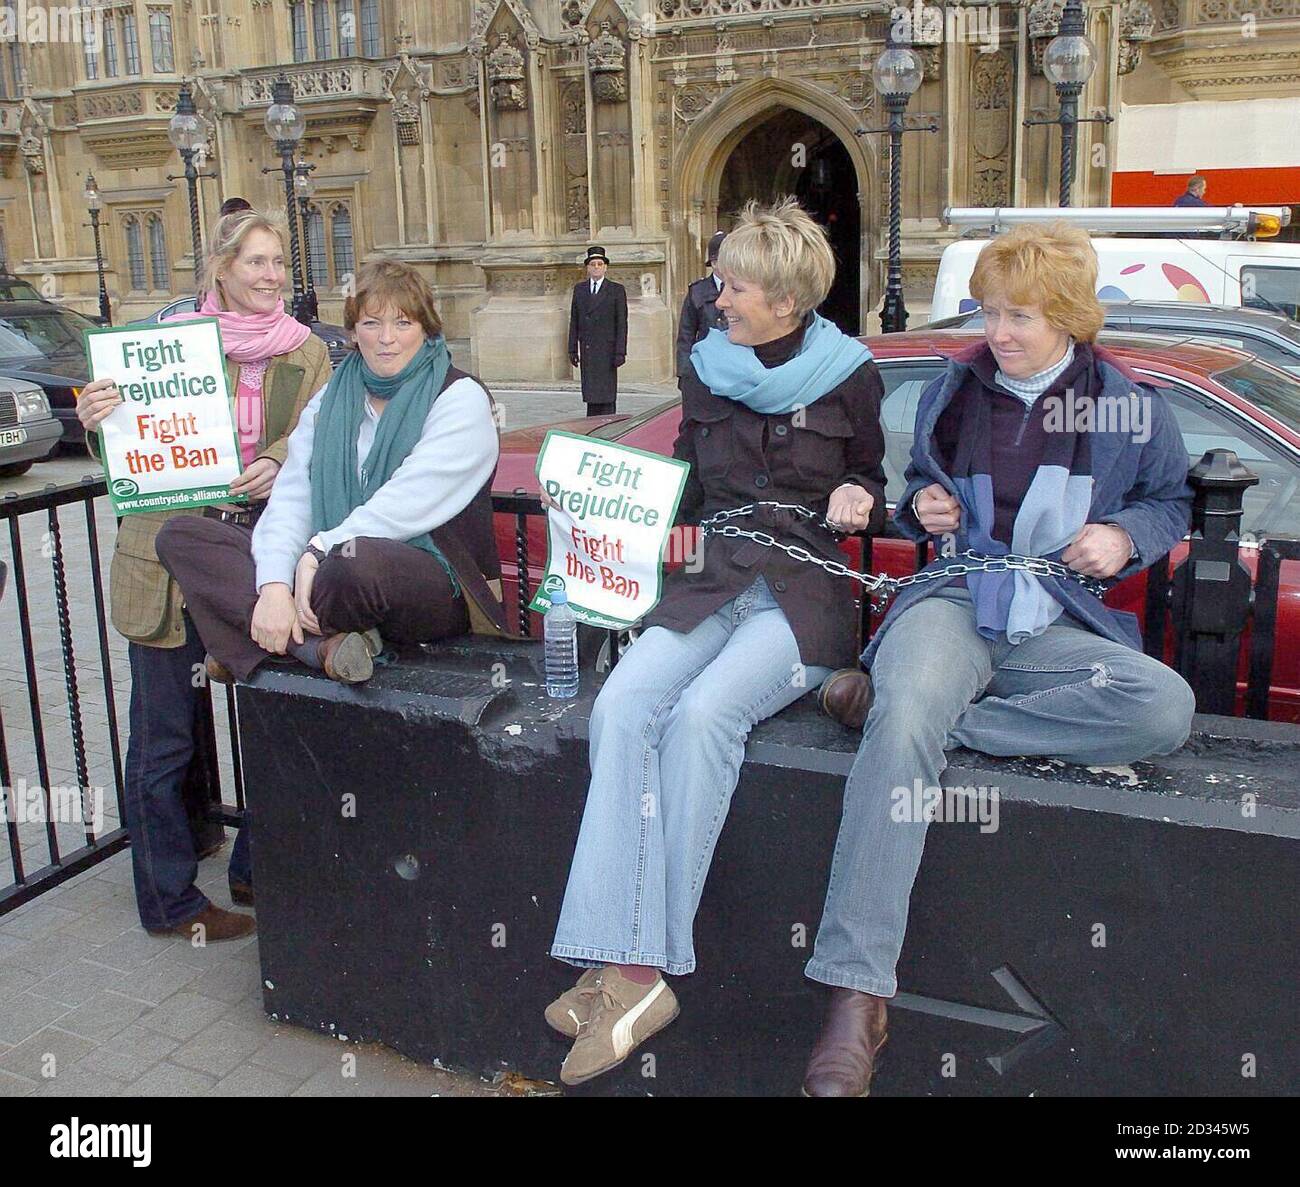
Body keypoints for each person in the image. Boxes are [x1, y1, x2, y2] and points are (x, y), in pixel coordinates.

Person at [801, 222, 1196, 1097]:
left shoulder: (1126, 402)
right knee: (910, 722)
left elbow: (1172, 501)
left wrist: (1125, 533)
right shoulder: (957, 388)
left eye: (1020, 315)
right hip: (955, 601)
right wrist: (926, 508)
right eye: (990, 312)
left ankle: (922, 713)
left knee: (1162, 707)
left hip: (1053, 615)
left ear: (1068, 315)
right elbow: (917, 492)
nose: (999, 332)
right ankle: (855, 993)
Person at [546, 197, 888, 1086]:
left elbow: (872, 474)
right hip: (715, 578)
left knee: (702, 718)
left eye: (733, 284)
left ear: (782, 295)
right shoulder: (706, 366)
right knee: (621, 704)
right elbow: (689, 486)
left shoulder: (850, 372)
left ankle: (636, 967)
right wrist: (614, 513)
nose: (717, 295)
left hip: (803, 595)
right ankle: (626, 954)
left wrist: (858, 492)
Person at [76, 209, 332, 940]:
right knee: (163, 740)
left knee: (267, 721)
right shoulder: (163, 345)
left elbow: (313, 435)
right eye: (256, 262)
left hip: (251, 561)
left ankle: (256, 862)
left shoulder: (306, 351)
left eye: (279, 263)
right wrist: (99, 422)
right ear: (221, 268)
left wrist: (278, 459)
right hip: (162, 561)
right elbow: (127, 458)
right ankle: (169, 900)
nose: (271, 276)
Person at [153, 257, 501, 692]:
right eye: (372, 324)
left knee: (353, 562)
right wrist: (276, 586)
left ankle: (245, 643)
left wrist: (316, 551)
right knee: (183, 537)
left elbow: (408, 502)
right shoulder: (330, 399)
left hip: (429, 579)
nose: (387, 339)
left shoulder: (460, 397)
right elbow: (295, 496)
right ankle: (320, 648)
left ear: (427, 330)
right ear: (353, 333)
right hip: (327, 576)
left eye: (403, 323)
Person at [568, 245, 627, 417]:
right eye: (593, 264)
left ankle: (607, 423)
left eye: (599, 264)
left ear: (605, 267)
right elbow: (574, 321)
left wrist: (620, 352)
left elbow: (622, 323)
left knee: (606, 396)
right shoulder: (580, 290)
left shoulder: (616, 290)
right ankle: (592, 424)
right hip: (588, 350)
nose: (596, 267)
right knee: (592, 396)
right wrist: (572, 348)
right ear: (587, 267)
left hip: (607, 351)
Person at [675, 231, 727, 384]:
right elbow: (686, 335)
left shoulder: (745, 288)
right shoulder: (698, 291)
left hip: (736, 367)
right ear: (714, 262)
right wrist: (684, 374)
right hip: (706, 366)